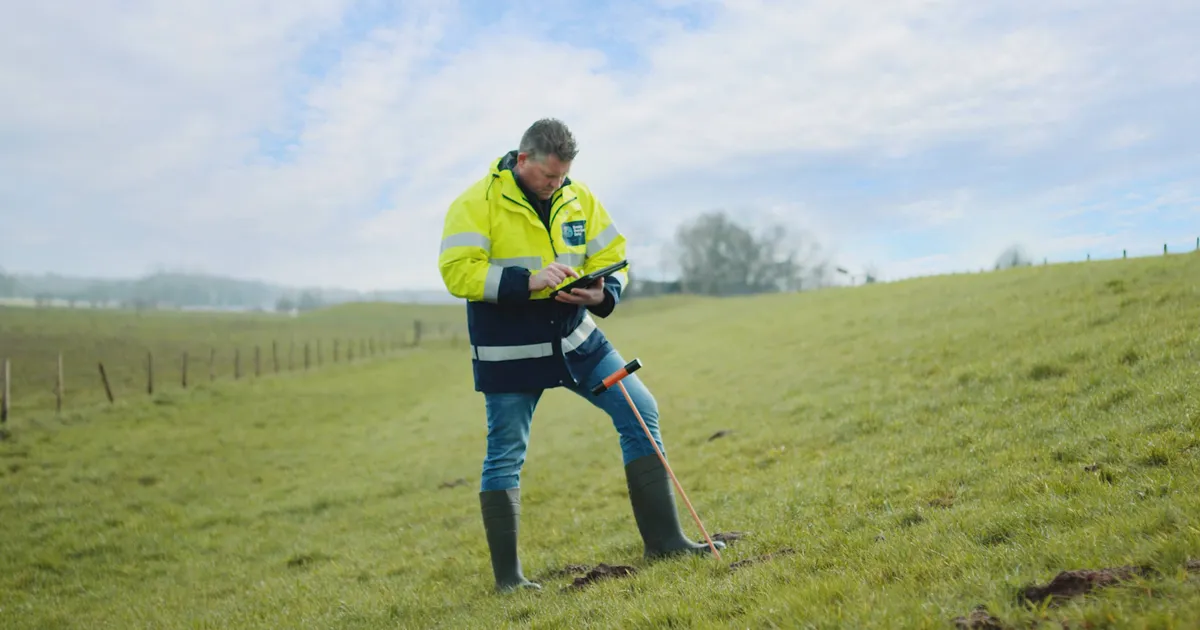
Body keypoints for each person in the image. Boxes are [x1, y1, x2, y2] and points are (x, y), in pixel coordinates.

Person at [437, 118, 724, 592]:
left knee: (641, 411)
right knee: (504, 457)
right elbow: (456, 271)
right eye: (548, 177)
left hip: (577, 338)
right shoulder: (474, 203)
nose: (556, 185)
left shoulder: (578, 196)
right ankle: (509, 581)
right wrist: (524, 282)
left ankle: (666, 542)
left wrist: (601, 293)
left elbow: (612, 252)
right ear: (522, 159)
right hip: (511, 352)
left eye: (562, 177)